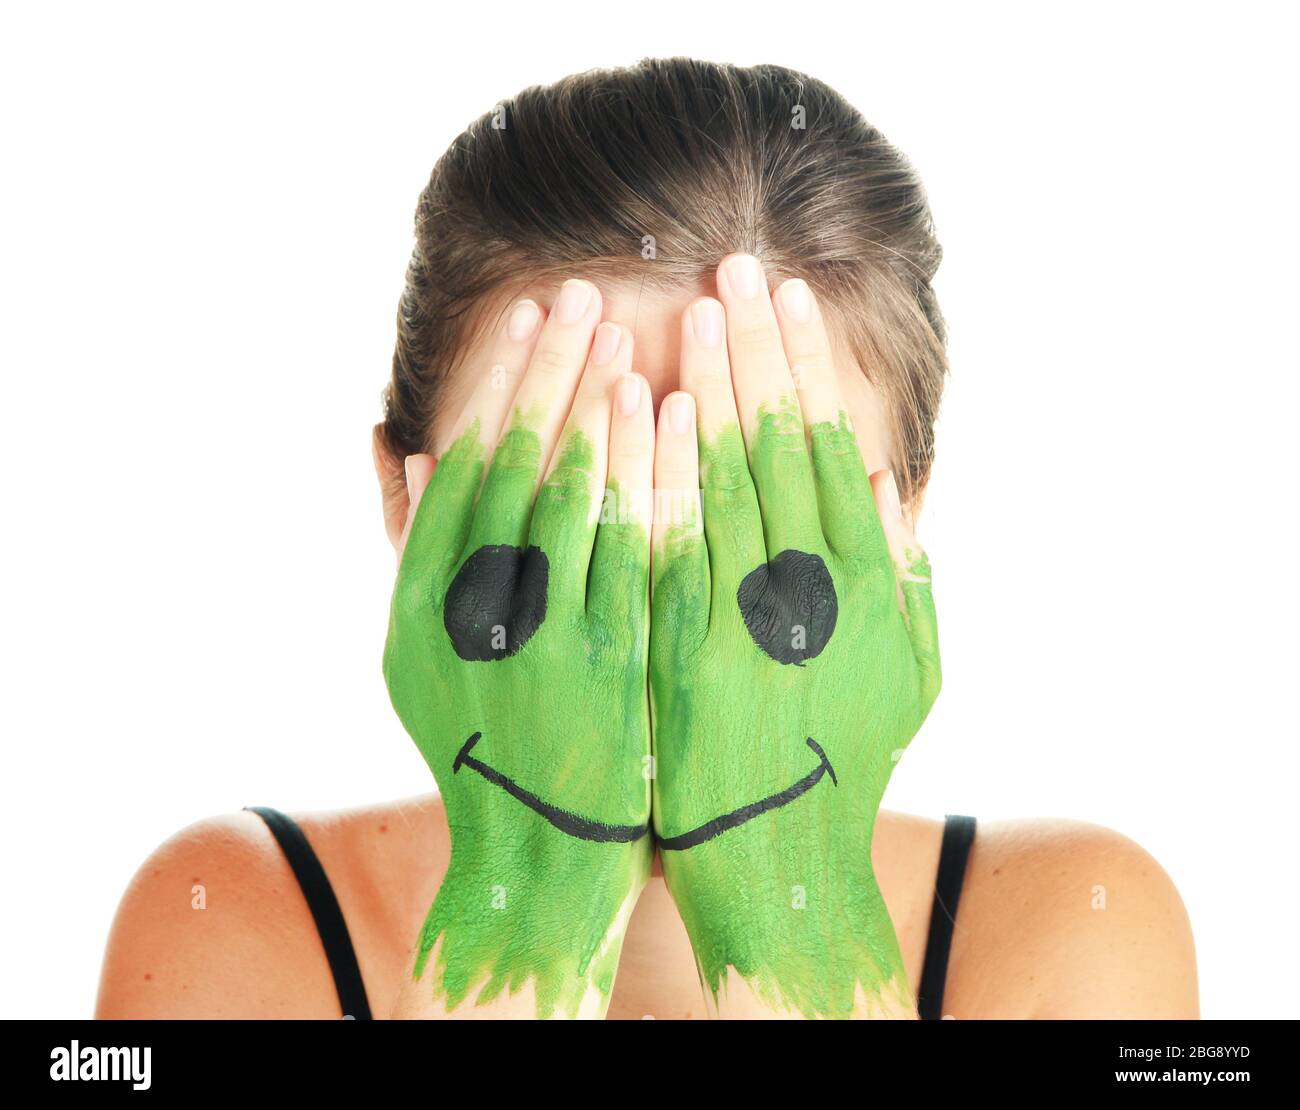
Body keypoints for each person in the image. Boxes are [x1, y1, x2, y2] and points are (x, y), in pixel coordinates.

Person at [96, 58, 1197, 1020]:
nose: (656, 630)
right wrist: (523, 911)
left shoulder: (1075, 928)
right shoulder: (231, 917)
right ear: (404, 503)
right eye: (563, 520)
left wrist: (788, 921)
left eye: (762, 519)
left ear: (903, 525)